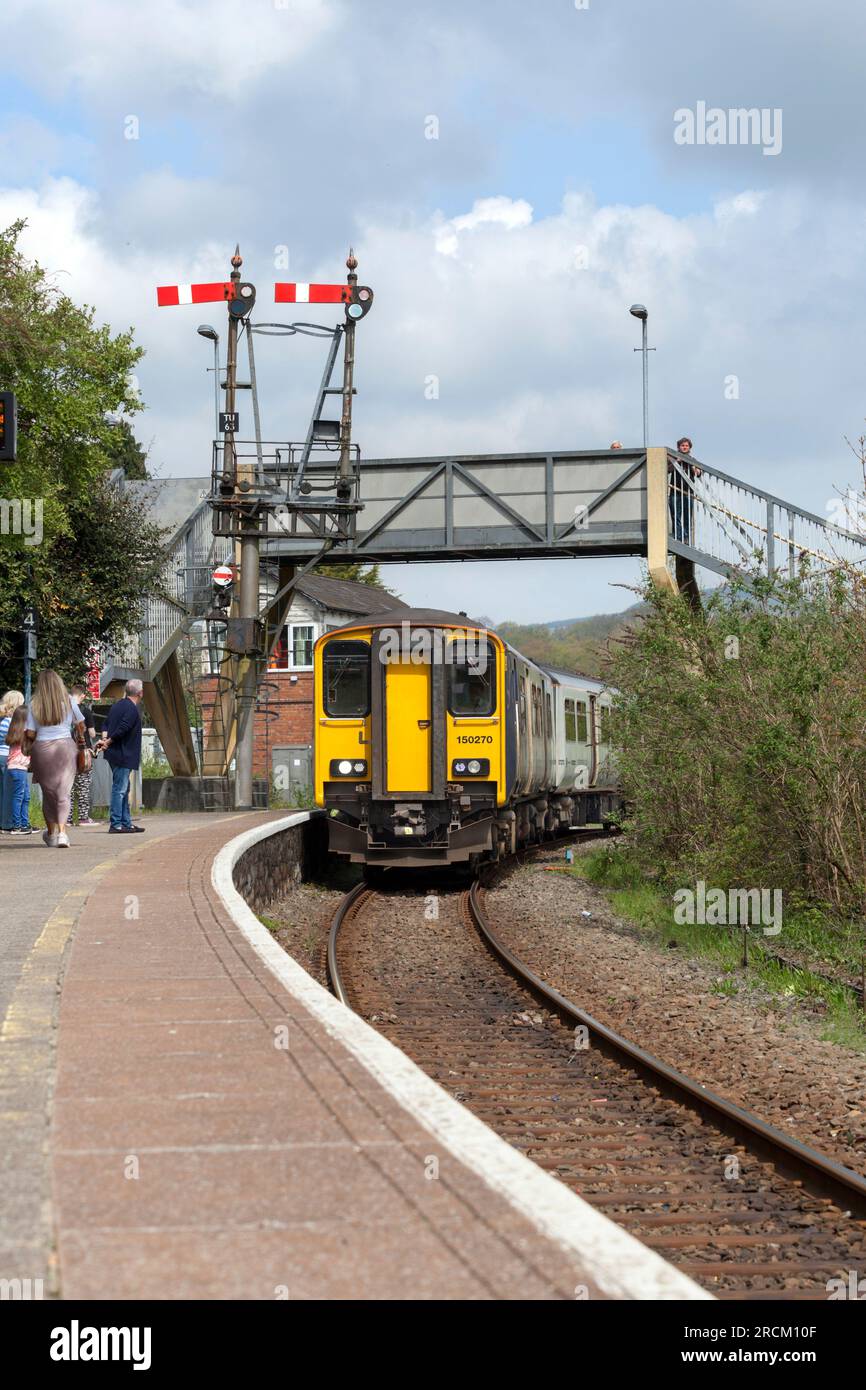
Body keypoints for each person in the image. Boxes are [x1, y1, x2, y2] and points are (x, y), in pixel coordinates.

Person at [23, 670, 86, 848]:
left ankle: (51, 834)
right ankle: (63, 834)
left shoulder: (34, 704)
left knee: (49, 794)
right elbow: (80, 724)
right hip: (65, 748)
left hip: (42, 750)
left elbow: (30, 733)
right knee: (63, 793)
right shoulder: (69, 701)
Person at [97, 679, 145, 835]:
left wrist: (104, 740)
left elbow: (106, 724)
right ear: (140, 693)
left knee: (124, 788)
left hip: (113, 754)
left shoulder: (117, 705)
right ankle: (116, 823)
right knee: (120, 789)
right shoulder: (132, 709)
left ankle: (126, 823)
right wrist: (108, 742)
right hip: (124, 754)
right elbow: (123, 729)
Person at [69, 684, 98, 827]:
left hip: (66, 752)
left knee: (69, 786)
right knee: (84, 785)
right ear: (82, 696)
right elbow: (92, 733)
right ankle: (83, 818)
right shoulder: (85, 711)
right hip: (82, 752)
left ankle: (67, 819)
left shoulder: (64, 710)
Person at [4, 706, 33, 834]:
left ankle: (24, 823)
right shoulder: (24, 733)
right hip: (18, 768)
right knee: (19, 797)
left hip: (17, 768)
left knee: (25, 797)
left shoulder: (14, 732)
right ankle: (17, 826)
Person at [669, 435, 702, 544]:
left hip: (688, 492)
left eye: (686, 446)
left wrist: (692, 465)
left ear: (689, 448)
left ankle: (686, 538)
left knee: (687, 516)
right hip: (675, 490)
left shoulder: (693, 460)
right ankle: (679, 537)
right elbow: (667, 469)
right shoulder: (673, 457)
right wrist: (676, 462)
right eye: (682, 446)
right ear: (678, 447)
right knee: (675, 515)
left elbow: (698, 473)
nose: (684, 447)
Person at [0, 690, 24, 834]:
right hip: (8, 757)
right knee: (9, 793)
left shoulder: (3, 720)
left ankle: (3, 822)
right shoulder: (12, 722)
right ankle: (7, 823)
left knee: (2, 792)